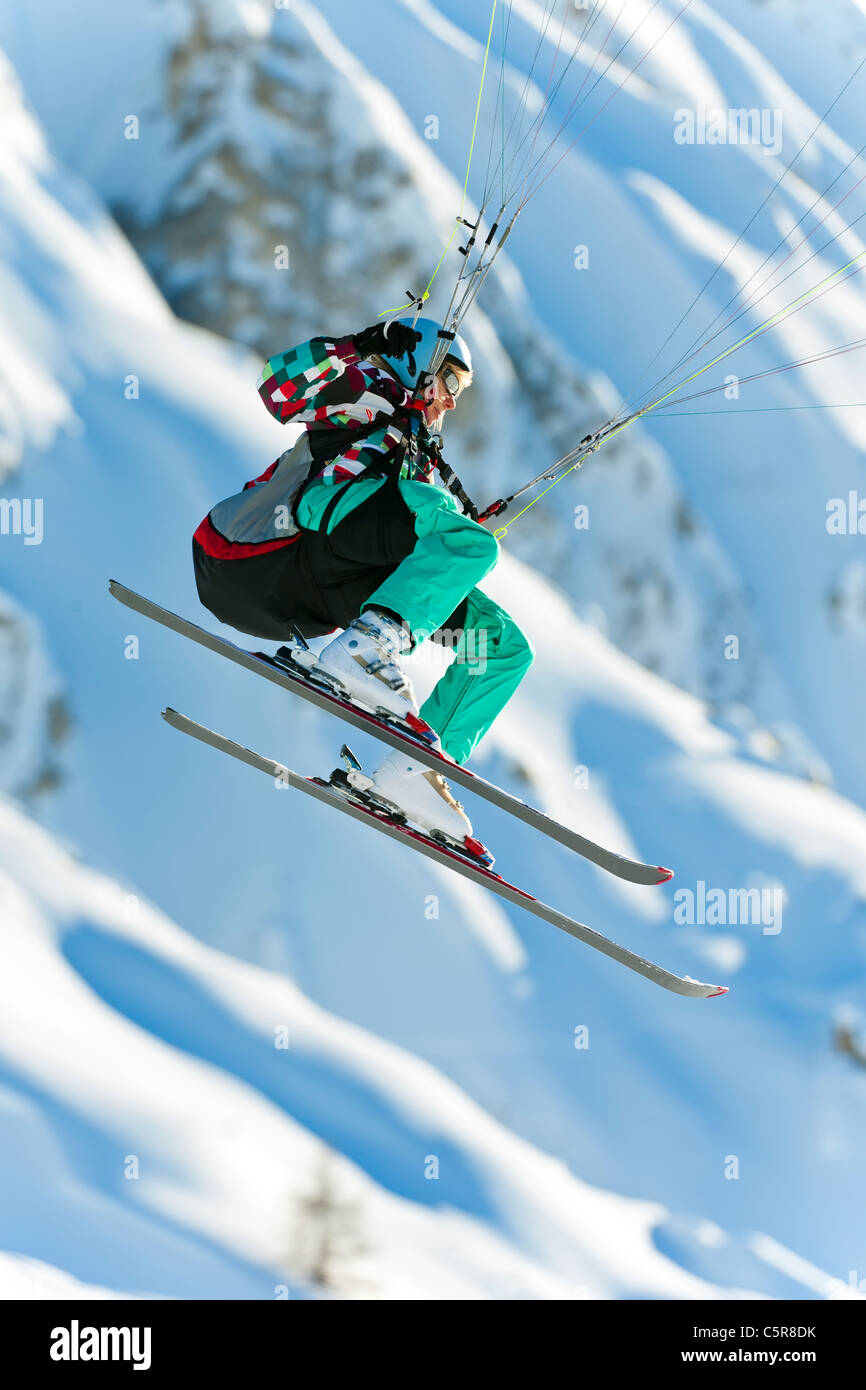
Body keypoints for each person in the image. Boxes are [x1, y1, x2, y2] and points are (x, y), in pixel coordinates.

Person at [192, 318, 533, 849]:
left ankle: (413, 772)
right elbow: (276, 388)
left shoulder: (420, 447)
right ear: (417, 363)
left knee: (502, 646)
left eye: (461, 391)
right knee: (468, 541)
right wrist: (362, 345)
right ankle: (366, 649)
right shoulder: (370, 392)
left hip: (337, 588)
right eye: (449, 382)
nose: (453, 401)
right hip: (308, 531)